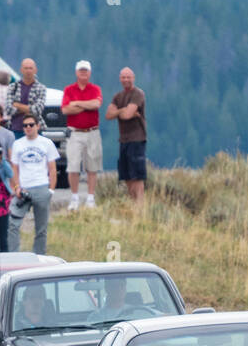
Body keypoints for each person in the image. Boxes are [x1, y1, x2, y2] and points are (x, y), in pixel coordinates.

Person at [8, 116, 59, 255]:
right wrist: (17, 187)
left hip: (41, 186)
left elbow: (52, 168)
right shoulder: (18, 144)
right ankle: (13, 255)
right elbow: (14, 168)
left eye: (31, 125)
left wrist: (51, 190)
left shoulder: (46, 143)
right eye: (25, 126)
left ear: (38, 126)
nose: (28, 128)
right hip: (23, 188)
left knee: (41, 228)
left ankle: (39, 256)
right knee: (13, 223)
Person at [61, 59, 103, 210]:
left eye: (86, 70)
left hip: (92, 131)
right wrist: (86, 105)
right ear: (76, 72)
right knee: (73, 166)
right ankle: (74, 197)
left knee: (92, 166)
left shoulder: (95, 89)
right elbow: (65, 110)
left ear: (90, 73)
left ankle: (91, 198)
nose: (83, 73)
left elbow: (96, 104)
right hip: (75, 132)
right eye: (81, 70)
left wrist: (77, 103)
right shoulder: (69, 89)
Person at [105, 65, 146, 202]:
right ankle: (133, 204)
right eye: (123, 77)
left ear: (133, 78)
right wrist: (122, 111)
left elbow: (127, 115)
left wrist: (122, 112)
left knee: (137, 176)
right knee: (127, 175)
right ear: (120, 79)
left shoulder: (138, 94)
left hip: (137, 139)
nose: (126, 80)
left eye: (128, 77)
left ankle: (140, 206)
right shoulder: (118, 96)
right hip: (123, 140)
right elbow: (108, 114)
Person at [7, 58, 49, 139]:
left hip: (35, 130)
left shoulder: (41, 88)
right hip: (15, 130)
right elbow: (8, 109)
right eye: (26, 68)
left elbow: (37, 110)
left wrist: (17, 105)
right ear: (21, 70)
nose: (28, 71)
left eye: (30, 68)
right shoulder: (12, 87)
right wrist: (29, 109)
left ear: (35, 70)